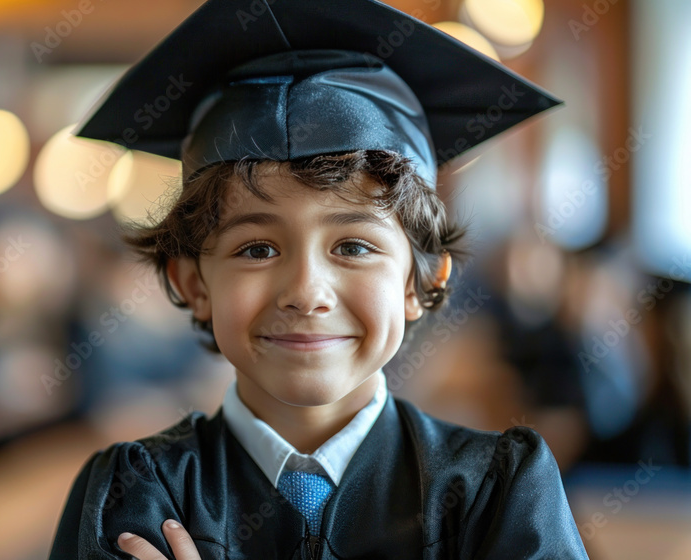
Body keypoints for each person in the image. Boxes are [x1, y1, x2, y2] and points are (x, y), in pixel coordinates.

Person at [49, 0, 588, 558]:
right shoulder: (136, 496)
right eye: (257, 249)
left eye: (353, 246)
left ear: (420, 281)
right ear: (193, 283)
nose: (306, 292)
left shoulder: (494, 494)